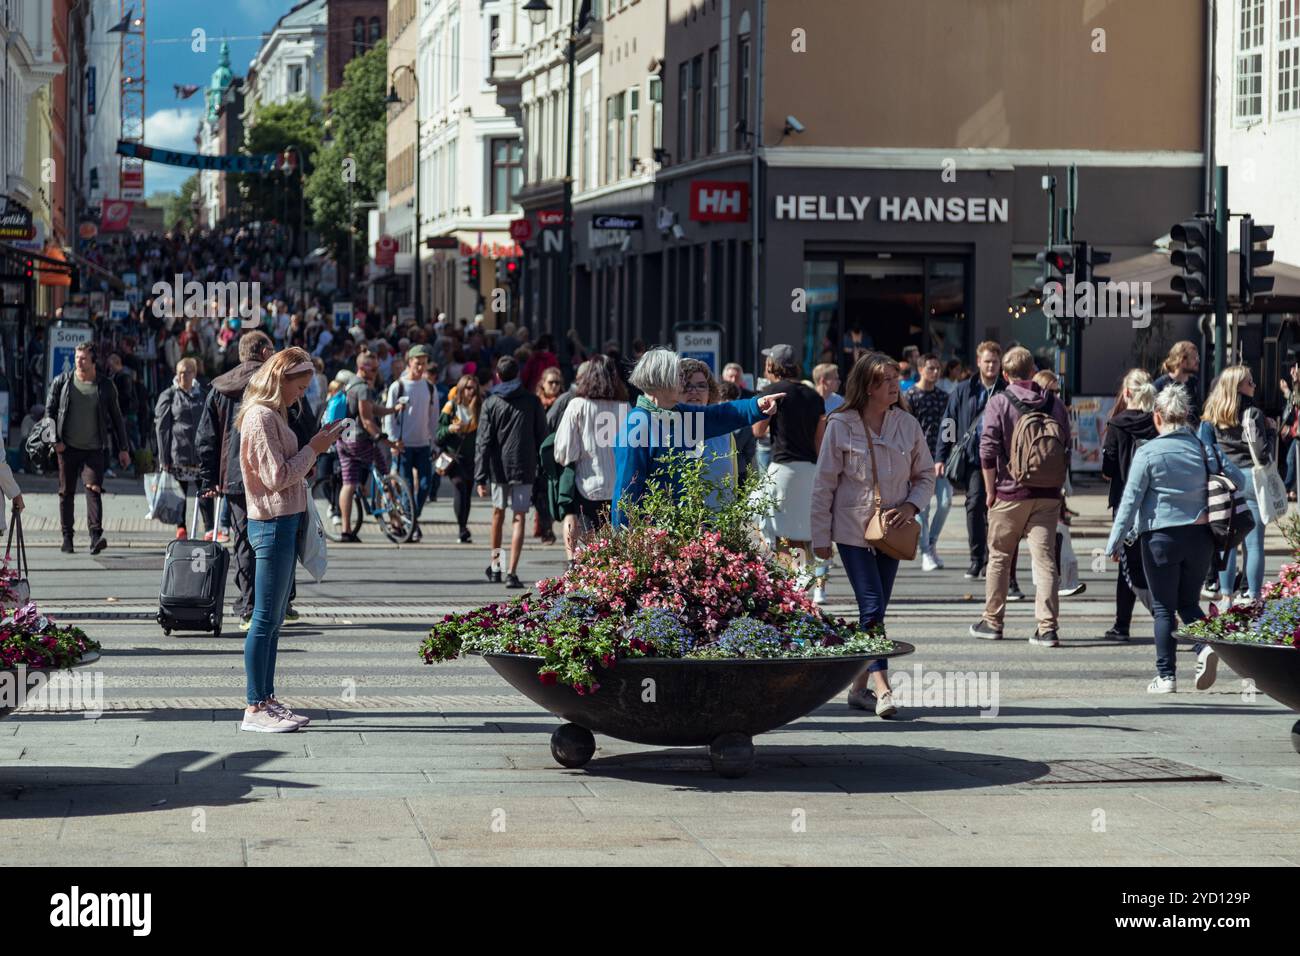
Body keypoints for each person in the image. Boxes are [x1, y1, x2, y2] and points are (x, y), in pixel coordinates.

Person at [812, 352, 933, 718]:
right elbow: (824, 484)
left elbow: (925, 475)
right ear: (868, 387)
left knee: (877, 608)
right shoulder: (841, 424)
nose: (895, 385)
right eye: (886, 380)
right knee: (871, 606)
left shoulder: (907, 425)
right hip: (852, 531)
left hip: (893, 533)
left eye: (896, 378)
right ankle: (884, 690)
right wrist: (820, 536)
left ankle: (857, 689)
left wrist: (911, 507)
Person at [236, 348, 347, 732]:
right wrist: (313, 449)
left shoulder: (275, 414)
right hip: (270, 521)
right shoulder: (261, 416)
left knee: (275, 617)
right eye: (298, 387)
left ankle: (266, 699)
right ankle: (255, 706)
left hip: (283, 519)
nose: (301, 395)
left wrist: (314, 449)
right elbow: (276, 476)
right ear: (280, 380)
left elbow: (288, 471)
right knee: (264, 617)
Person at [197, 330, 314, 630]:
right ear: (264, 354)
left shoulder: (220, 387)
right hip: (275, 477)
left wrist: (209, 478)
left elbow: (206, 437)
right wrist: (308, 460)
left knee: (245, 543)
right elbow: (305, 424)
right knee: (282, 539)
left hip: (235, 477)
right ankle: (281, 603)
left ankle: (249, 605)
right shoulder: (278, 386)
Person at [1106, 385, 1217, 693]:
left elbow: (1130, 500)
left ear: (1158, 417)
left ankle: (1166, 676)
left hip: (1160, 538)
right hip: (1200, 536)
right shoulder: (1201, 446)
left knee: (1164, 607)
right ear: (1185, 417)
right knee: (1188, 602)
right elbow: (1232, 477)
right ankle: (1204, 648)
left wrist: (1114, 542)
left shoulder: (1149, 453)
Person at [969, 346, 1071, 646]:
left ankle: (993, 621)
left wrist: (990, 491)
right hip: (1048, 494)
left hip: (1009, 492)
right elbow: (1066, 444)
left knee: (999, 557)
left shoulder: (999, 402)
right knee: (1044, 559)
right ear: (1033, 370)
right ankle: (1047, 628)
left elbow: (986, 450)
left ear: (1005, 374)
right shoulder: (1054, 402)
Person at [612, 348, 781, 525]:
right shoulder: (637, 424)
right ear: (661, 379)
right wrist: (625, 541)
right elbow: (627, 490)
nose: (683, 381)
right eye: (678, 376)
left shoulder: (676, 413)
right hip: (653, 537)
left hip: (681, 532)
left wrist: (756, 406)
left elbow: (719, 415)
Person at [45, 342, 131, 555]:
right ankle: (67, 537)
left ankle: (95, 537)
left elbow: (117, 418)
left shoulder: (105, 385)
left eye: (83, 358)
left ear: (93, 361)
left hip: (94, 449)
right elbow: (50, 413)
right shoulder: (62, 382)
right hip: (67, 448)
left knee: (93, 490)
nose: (79, 362)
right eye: (76, 358)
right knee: (66, 493)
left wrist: (123, 448)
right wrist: (55, 440)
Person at [752, 344, 825, 586]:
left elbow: (757, 430)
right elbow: (819, 441)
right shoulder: (814, 395)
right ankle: (803, 582)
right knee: (802, 534)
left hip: (783, 467)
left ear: (772, 365)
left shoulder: (771, 391)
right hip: (809, 470)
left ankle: (789, 587)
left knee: (780, 533)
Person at [475, 355, 547, 589]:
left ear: (497, 375)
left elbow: (483, 441)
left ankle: (496, 565)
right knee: (519, 517)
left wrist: (480, 475)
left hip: (498, 469)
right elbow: (542, 437)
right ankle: (512, 572)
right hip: (524, 466)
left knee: (498, 514)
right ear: (518, 374)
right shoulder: (532, 401)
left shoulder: (491, 402)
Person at [935, 341, 1005, 579]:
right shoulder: (964, 389)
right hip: (975, 459)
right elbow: (949, 423)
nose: (991, 366)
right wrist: (941, 456)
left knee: (999, 511)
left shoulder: (1007, 388)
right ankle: (977, 558)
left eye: (995, 362)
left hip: (1002, 459)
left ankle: (996, 559)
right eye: (987, 361)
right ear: (978, 362)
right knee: (975, 505)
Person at [1204, 365, 1272, 604]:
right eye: (1250, 382)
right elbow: (1262, 455)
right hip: (1251, 479)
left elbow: (1207, 449)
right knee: (1253, 546)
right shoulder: (1252, 414)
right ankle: (1252, 596)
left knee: (1228, 542)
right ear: (1238, 387)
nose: (1254, 385)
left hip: (1224, 482)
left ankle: (1226, 597)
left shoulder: (1213, 414)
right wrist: (1270, 432)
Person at [1101, 370, 1158, 640]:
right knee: (1152, 564)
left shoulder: (1117, 425)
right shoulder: (1157, 422)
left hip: (1126, 501)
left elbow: (1108, 468)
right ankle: (1133, 621)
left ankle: (1129, 623)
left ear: (1126, 393)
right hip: (1155, 502)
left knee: (1128, 566)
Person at [554, 355, 627, 562]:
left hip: (587, 484)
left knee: (588, 544)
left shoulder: (578, 406)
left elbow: (564, 451)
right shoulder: (626, 408)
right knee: (613, 547)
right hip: (618, 487)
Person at [336, 350, 400, 543]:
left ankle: (346, 530)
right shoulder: (363, 388)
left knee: (348, 484)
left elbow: (372, 410)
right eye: (373, 368)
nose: (376, 372)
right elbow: (367, 419)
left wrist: (392, 410)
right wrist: (384, 439)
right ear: (363, 368)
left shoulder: (349, 385)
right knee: (384, 473)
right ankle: (396, 521)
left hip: (344, 439)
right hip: (359, 440)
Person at [385, 344, 439, 542]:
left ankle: (412, 520)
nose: (421, 367)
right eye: (418, 363)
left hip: (423, 444)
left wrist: (434, 443)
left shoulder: (429, 387)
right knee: (406, 485)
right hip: (404, 445)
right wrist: (393, 442)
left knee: (425, 484)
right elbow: (389, 417)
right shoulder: (397, 386)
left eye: (424, 364)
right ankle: (412, 523)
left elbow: (434, 417)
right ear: (410, 363)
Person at [155, 357, 213, 539]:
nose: (182, 375)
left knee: (205, 492)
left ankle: (209, 528)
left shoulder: (203, 394)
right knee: (179, 495)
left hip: (199, 455)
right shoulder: (169, 395)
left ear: (194, 373)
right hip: (178, 453)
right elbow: (162, 428)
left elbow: (210, 423)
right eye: (180, 371)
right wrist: (164, 459)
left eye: (187, 371)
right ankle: (181, 528)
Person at [904, 353, 952, 572]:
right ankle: (925, 551)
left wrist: (946, 454)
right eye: (930, 368)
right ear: (921, 369)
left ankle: (931, 543)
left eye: (937, 368)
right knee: (923, 508)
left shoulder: (944, 397)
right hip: (918, 459)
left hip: (940, 458)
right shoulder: (910, 396)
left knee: (945, 502)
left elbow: (950, 427)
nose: (935, 372)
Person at [438, 374, 482, 544]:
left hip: (472, 457)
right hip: (453, 457)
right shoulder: (451, 407)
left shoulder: (479, 406)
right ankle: (461, 528)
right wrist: (449, 428)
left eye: (474, 388)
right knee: (459, 486)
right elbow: (438, 434)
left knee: (468, 493)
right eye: (468, 388)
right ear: (461, 388)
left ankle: (463, 526)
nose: (471, 391)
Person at [718, 381, 758, 482]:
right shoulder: (745, 421)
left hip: (714, 468)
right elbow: (750, 450)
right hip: (739, 470)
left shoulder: (711, 418)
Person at [1154, 341, 1201, 421]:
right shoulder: (1160, 385)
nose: (1198, 361)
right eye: (1194, 358)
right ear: (1182, 360)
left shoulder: (1195, 384)